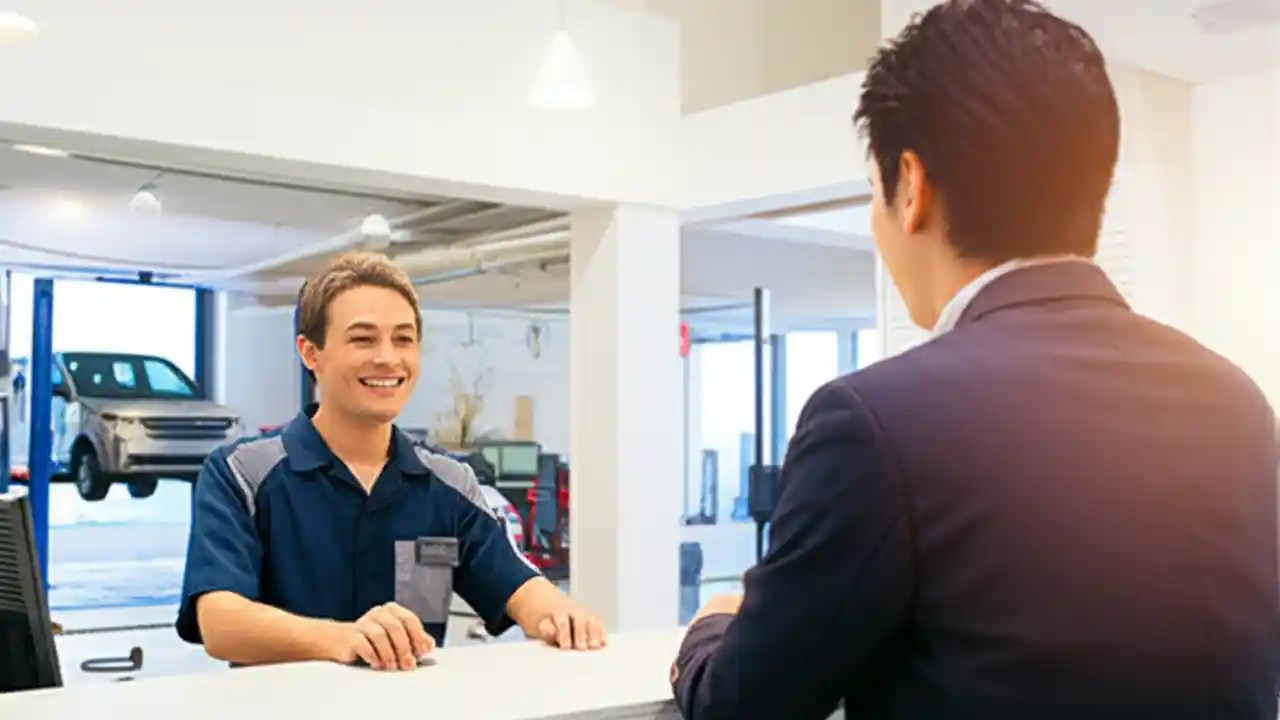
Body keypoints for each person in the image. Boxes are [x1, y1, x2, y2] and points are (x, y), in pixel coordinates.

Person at [670, 1, 1279, 718]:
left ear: (912, 184)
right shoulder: (1234, 401)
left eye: (873, 191)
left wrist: (710, 628)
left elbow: (746, 705)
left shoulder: (875, 424)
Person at [177, 251, 605, 670]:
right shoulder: (241, 473)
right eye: (363, 338)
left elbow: (517, 584)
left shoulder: (448, 481)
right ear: (311, 353)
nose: (387, 358)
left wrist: (559, 613)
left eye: (403, 339)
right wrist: (343, 638)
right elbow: (220, 622)